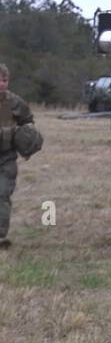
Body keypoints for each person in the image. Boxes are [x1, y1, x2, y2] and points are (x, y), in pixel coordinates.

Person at [0, 63, 35, 249]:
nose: (1, 84)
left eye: (4, 80)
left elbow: (28, 121)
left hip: (6, 158)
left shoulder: (14, 102)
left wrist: (27, 136)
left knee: (2, 194)